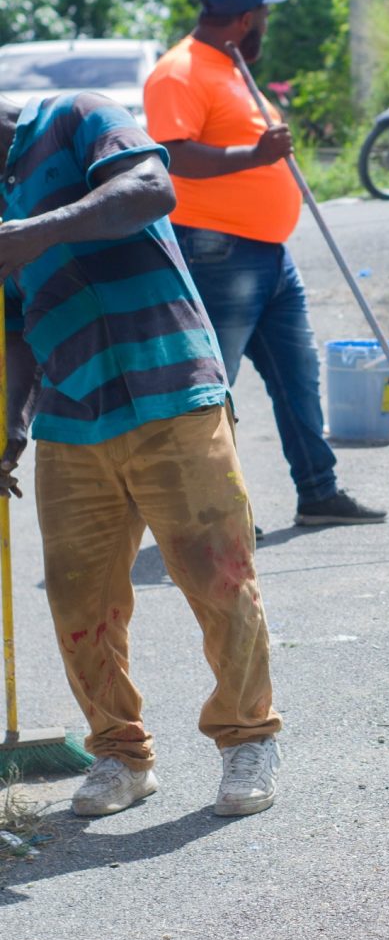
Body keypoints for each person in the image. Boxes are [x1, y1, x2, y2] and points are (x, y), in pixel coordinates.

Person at [0, 89, 281, 819]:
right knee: (77, 602)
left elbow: (152, 188)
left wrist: (35, 231)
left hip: (173, 392)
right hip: (70, 419)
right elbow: (15, 326)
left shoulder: (72, 116)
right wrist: (10, 425)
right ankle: (120, 756)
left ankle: (247, 736)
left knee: (219, 579)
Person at [143, 0, 384, 530]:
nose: (268, 26)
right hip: (216, 253)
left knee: (297, 375)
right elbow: (170, 156)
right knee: (211, 387)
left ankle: (318, 492)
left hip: (270, 256)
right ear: (247, 19)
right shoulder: (180, 72)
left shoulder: (230, 67)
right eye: (266, 16)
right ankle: (214, 512)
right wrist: (256, 156)